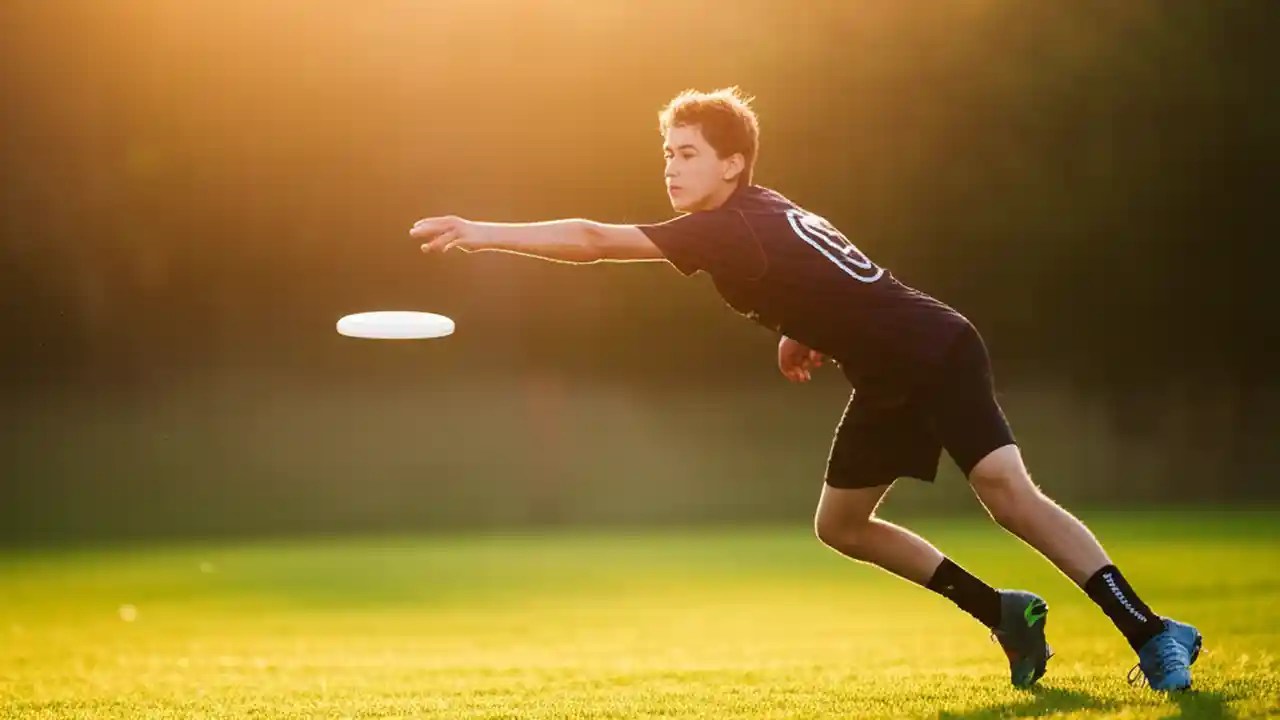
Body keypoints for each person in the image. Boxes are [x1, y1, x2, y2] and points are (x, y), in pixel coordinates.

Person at [409, 87, 1201, 691]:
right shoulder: (757, 213)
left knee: (1005, 494)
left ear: (733, 164)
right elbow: (827, 280)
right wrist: (807, 331)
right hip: (889, 370)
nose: (671, 165)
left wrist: (484, 231)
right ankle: (1004, 612)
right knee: (843, 526)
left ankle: (1154, 631)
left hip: (934, 347)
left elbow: (591, 240)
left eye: (687, 152)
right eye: (667, 152)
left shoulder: (727, 225)